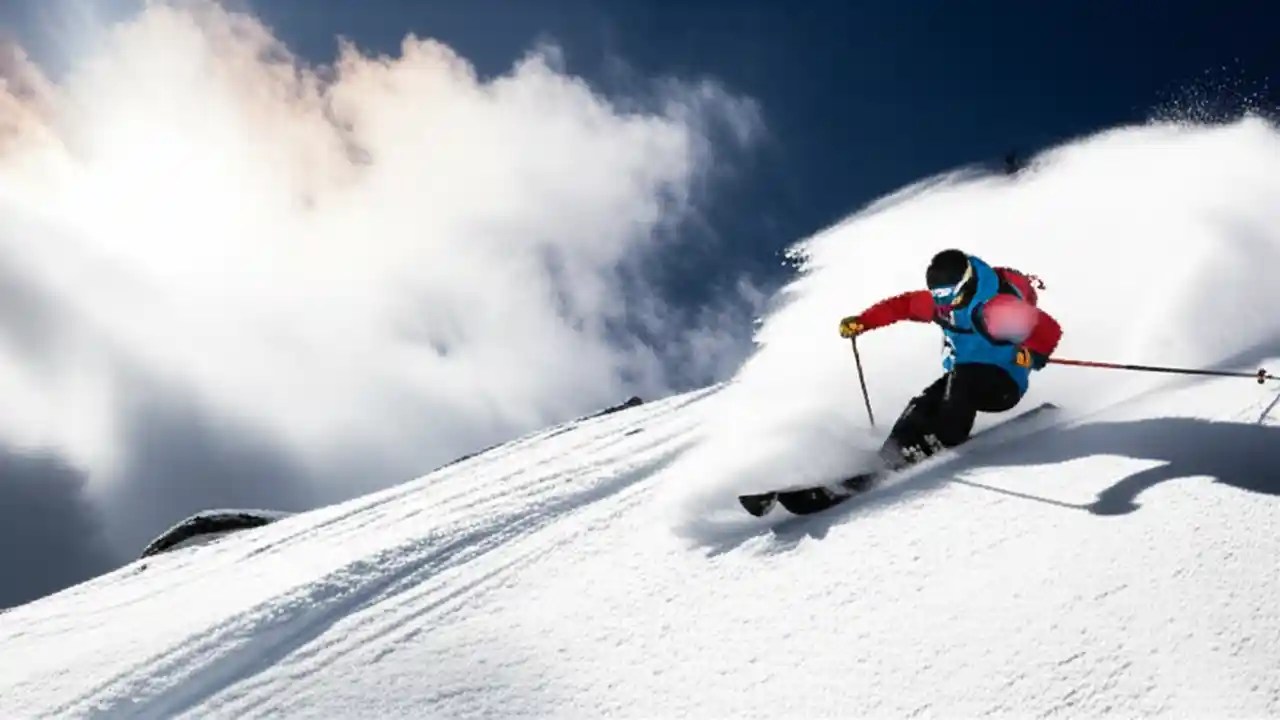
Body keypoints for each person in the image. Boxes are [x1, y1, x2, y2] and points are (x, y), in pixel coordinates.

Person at [838, 248, 1062, 471]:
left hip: (1004, 384)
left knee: (963, 382)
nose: (943, 303)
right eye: (937, 296)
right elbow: (903, 305)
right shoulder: (941, 305)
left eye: (947, 295)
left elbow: (1048, 329)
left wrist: (1033, 354)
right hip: (961, 378)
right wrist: (864, 321)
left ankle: (945, 437)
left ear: (966, 283)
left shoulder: (997, 307)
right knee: (925, 401)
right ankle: (890, 453)